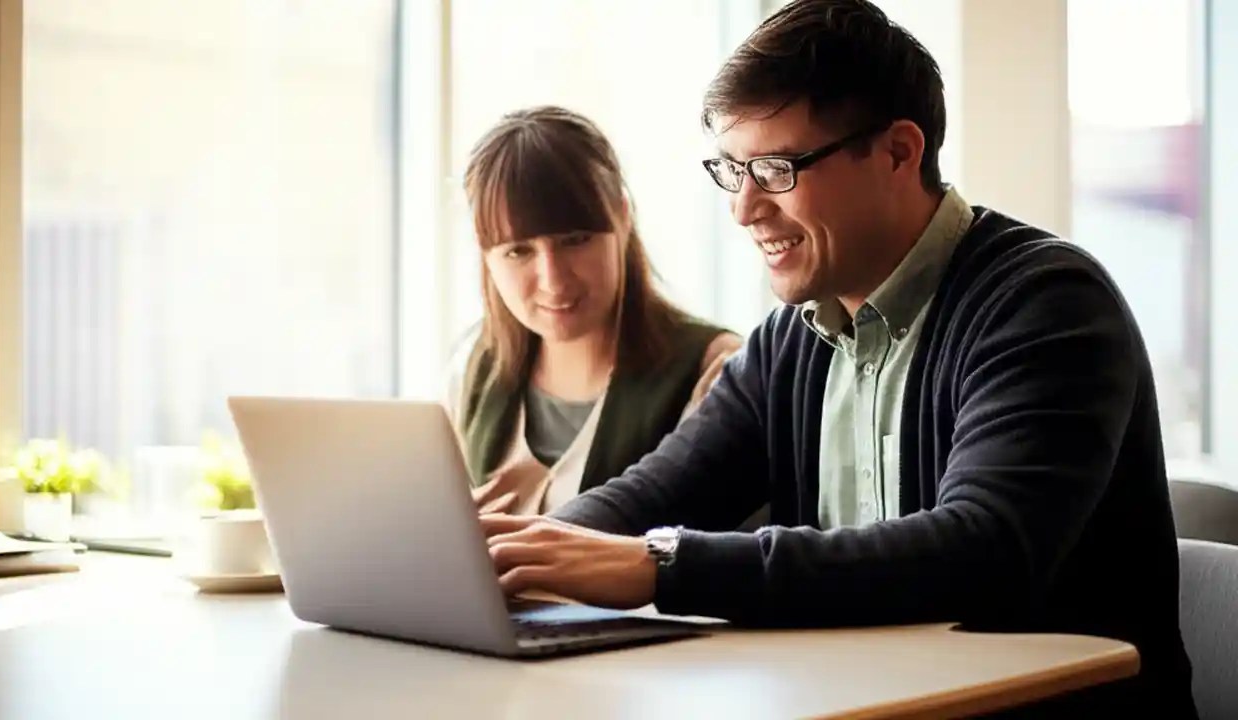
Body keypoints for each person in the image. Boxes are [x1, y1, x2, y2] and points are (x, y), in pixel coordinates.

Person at [479, 2, 1196, 715]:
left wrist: (662, 565)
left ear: (897, 152)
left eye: (777, 168)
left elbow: (983, 552)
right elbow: (653, 494)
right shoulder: (791, 339)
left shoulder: (1044, 302)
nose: (745, 208)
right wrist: (518, 553)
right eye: (734, 170)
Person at [444, 105, 742, 516]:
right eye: (519, 251)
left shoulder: (714, 369)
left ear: (623, 217)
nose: (553, 279)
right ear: (486, 255)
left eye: (575, 240)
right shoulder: (476, 370)